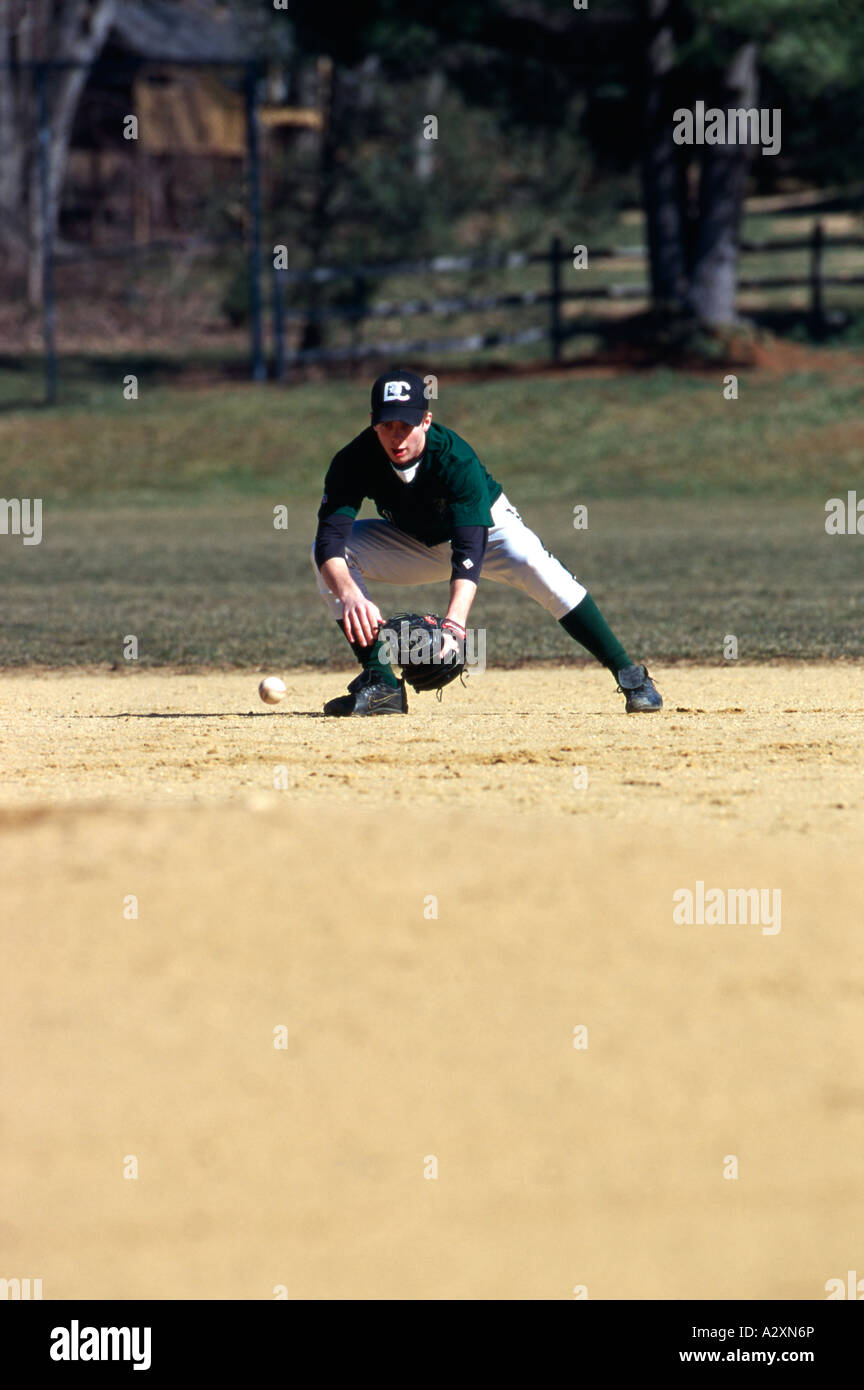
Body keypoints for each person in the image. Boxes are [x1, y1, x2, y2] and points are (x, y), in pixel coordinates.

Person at [311, 368, 663, 717]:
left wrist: (454, 625)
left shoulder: (455, 458)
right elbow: (330, 537)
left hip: (489, 531)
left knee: (534, 565)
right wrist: (351, 594)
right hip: (414, 541)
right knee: (328, 559)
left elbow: (468, 548)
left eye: (406, 425)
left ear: (427, 420)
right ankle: (383, 684)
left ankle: (630, 675)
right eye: (387, 425)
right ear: (373, 421)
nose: (396, 437)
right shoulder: (353, 460)